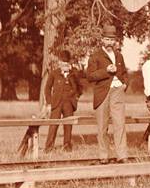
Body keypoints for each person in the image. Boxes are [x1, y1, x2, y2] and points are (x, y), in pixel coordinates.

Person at [86, 22, 129, 163]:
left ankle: (122, 155)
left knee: (120, 123)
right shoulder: (96, 56)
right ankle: (103, 156)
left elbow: (124, 72)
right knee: (102, 126)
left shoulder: (119, 55)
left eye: (112, 39)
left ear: (115, 41)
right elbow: (90, 76)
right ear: (102, 40)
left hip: (118, 91)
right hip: (102, 93)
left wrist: (125, 84)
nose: (110, 42)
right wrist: (106, 71)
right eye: (107, 39)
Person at [43, 57, 82, 152]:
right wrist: (49, 103)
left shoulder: (74, 74)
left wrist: (75, 98)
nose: (66, 66)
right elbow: (47, 88)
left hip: (69, 103)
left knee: (68, 125)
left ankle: (67, 147)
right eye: (63, 64)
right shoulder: (54, 73)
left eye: (67, 64)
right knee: (53, 125)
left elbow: (80, 88)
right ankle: (48, 148)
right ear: (60, 64)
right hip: (56, 103)